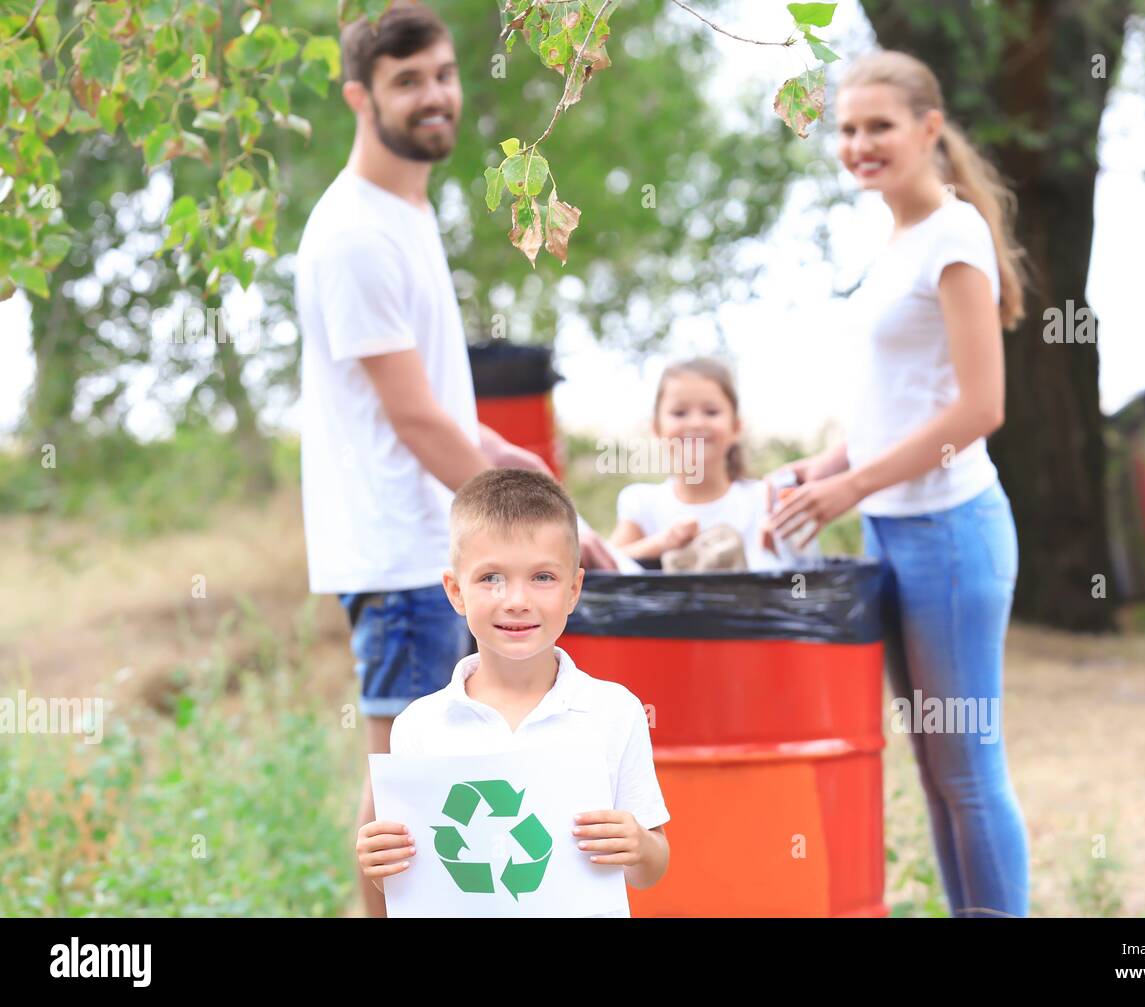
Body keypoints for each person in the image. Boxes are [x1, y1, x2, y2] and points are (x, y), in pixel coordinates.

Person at [293, 1, 614, 919]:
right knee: (400, 792)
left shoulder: (404, 209)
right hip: (403, 560)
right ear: (361, 97)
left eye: (441, 74)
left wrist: (528, 468)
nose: (434, 96)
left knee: (439, 790)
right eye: (406, 82)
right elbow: (415, 423)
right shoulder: (356, 232)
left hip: (430, 552)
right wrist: (538, 529)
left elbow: (448, 411)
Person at [769, 50, 1031, 917]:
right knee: (934, 769)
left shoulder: (954, 235)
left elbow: (980, 406)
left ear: (928, 128)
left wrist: (854, 487)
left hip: (951, 534)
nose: (858, 144)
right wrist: (829, 467)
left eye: (878, 126)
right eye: (846, 129)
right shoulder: (896, 240)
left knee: (967, 766)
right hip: (893, 527)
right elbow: (899, 404)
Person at [355, 469, 671, 915]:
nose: (517, 599)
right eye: (491, 578)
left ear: (574, 590)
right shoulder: (419, 727)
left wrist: (638, 845)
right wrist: (381, 864)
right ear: (455, 591)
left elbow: (651, 868)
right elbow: (415, 882)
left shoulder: (614, 712)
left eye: (543, 577)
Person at [609, 358, 780, 570]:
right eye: (679, 413)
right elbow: (607, 564)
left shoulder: (763, 500)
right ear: (657, 428)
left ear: (736, 427)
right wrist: (661, 544)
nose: (696, 423)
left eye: (711, 412)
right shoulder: (642, 503)